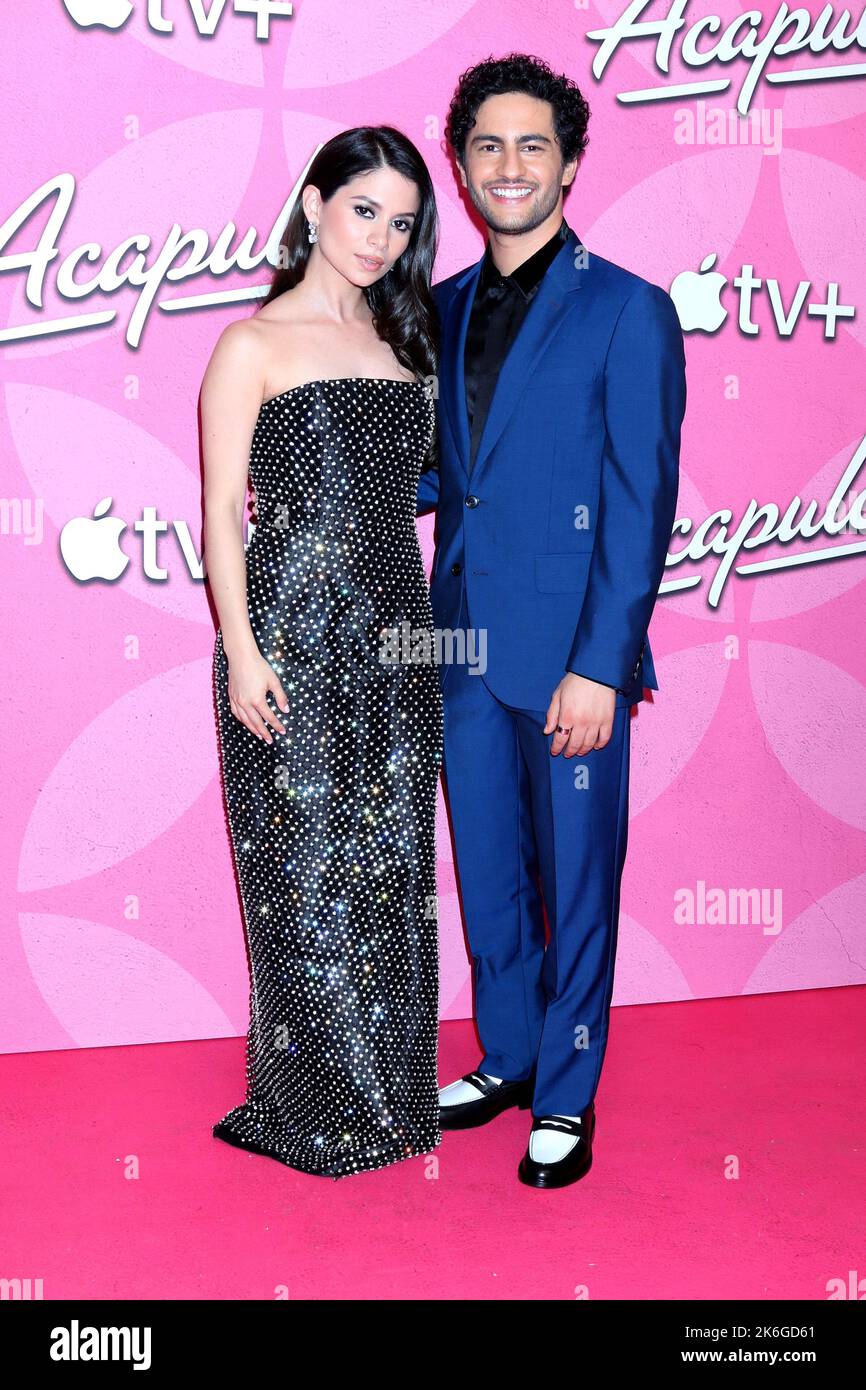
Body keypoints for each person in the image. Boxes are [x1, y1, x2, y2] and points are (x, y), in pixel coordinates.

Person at [417, 55, 687, 1188]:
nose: (509, 164)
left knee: (576, 878)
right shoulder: (434, 310)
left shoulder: (628, 309)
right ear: (463, 168)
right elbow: (434, 479)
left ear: (569, 163)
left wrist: (601, 663)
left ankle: (566, 1096)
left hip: (570, 654)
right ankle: (511, 1053)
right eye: (488, 145)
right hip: (458, 644)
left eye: (532, 144)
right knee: (485, 864)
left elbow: (639, 506)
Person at [202, 127, 443, 1179]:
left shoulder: (405, 341)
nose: (379, 238)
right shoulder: (250, 344)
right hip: (289, 628)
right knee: (300, 872)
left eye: (399, 222)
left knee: (390, 863)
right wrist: (241, 652)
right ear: (312, 204)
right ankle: (312, 1106)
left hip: (400, 626)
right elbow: (218, 516)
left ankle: (388, 1093)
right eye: (361, 211)